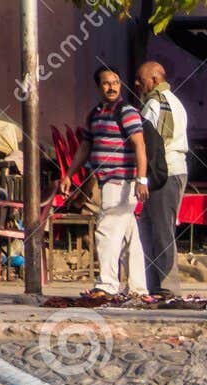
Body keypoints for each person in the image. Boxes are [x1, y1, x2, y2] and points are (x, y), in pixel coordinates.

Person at [60, 66, 150, 298]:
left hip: (121, 182)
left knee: (106, 231)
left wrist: (142, 179)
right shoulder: (95, 114)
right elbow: (85, 147)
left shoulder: (127, 112)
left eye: (116, 82)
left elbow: (140, 145)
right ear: (98, 87)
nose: (112, 87)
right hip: (106, 181)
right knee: (130, 238)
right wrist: (69, 174)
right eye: (106, 83)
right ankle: (138, 288)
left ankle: (107, 285)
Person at [135, 60, 190, 297]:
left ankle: (167, 287)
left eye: (142, 79)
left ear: (155, 80)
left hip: (164, 172)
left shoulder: (155, 105)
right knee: (151, 229)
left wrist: (144, 178)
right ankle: (154, 284)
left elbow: (152, 146)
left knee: (161, 231)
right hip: (171, 170)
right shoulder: (173, 101)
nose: (138, 84)